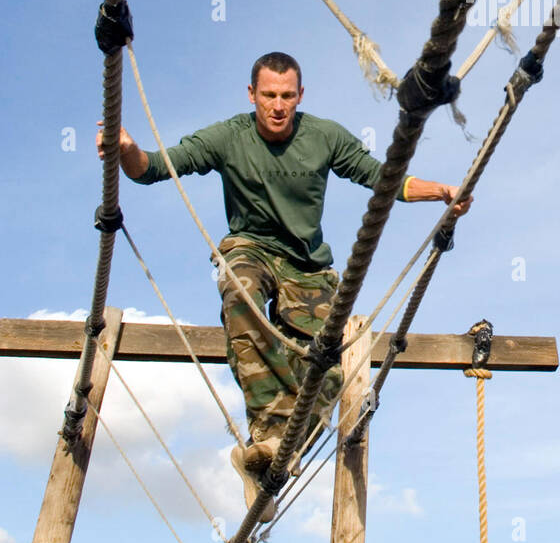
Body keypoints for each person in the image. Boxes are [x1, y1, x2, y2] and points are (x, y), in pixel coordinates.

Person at [97, 51, 470, 517]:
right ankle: (267, 435)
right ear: (252, 95)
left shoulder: (323, 136)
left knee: (328, 373)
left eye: (287, 96)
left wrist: (441, 192)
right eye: (269, 96)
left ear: (300, 96)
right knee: (241, 294)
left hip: (309, 269)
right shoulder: (228, 137)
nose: (278, 106)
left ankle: (266, 460)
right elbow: (152, 168)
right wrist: (126, 149)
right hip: (250, 250)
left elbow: (382, 178)